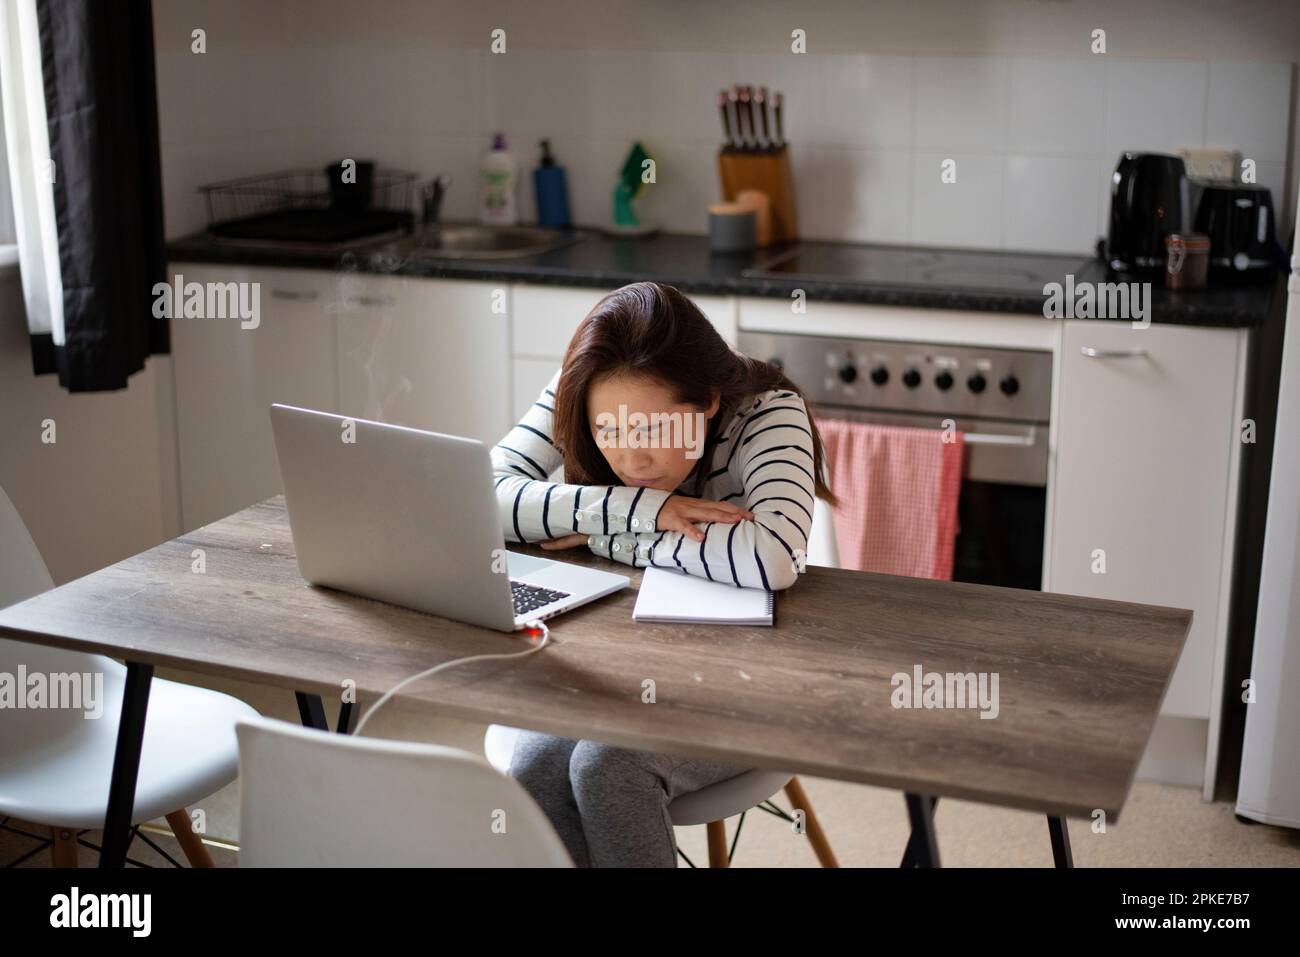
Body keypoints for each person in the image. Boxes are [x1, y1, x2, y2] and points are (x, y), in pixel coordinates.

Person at [490, 281, 837, 867]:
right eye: (609, 433)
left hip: (752, 679)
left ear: (706, 401)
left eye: (651, 432)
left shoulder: (768, 410)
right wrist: (644, 510)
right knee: (533, 765)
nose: (630, 460)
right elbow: (487, 496)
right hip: (616, 662)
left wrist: (605, 532)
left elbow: (774, 556)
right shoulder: (592, 387)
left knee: (607, 767)